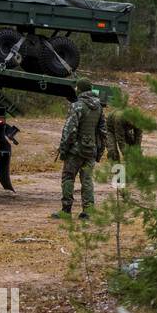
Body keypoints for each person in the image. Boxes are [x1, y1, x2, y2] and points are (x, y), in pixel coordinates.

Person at [54, 77, 106, 220]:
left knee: (68, 178)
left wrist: (64, 150)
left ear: (80, 89)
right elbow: (103, 131)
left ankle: (66, 210)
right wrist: (99, 152)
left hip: (76, 151)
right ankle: (88, 212)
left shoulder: (77, 106)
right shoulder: (99, 107)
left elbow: (70, 131)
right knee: (87, 180)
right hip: (91, 150)